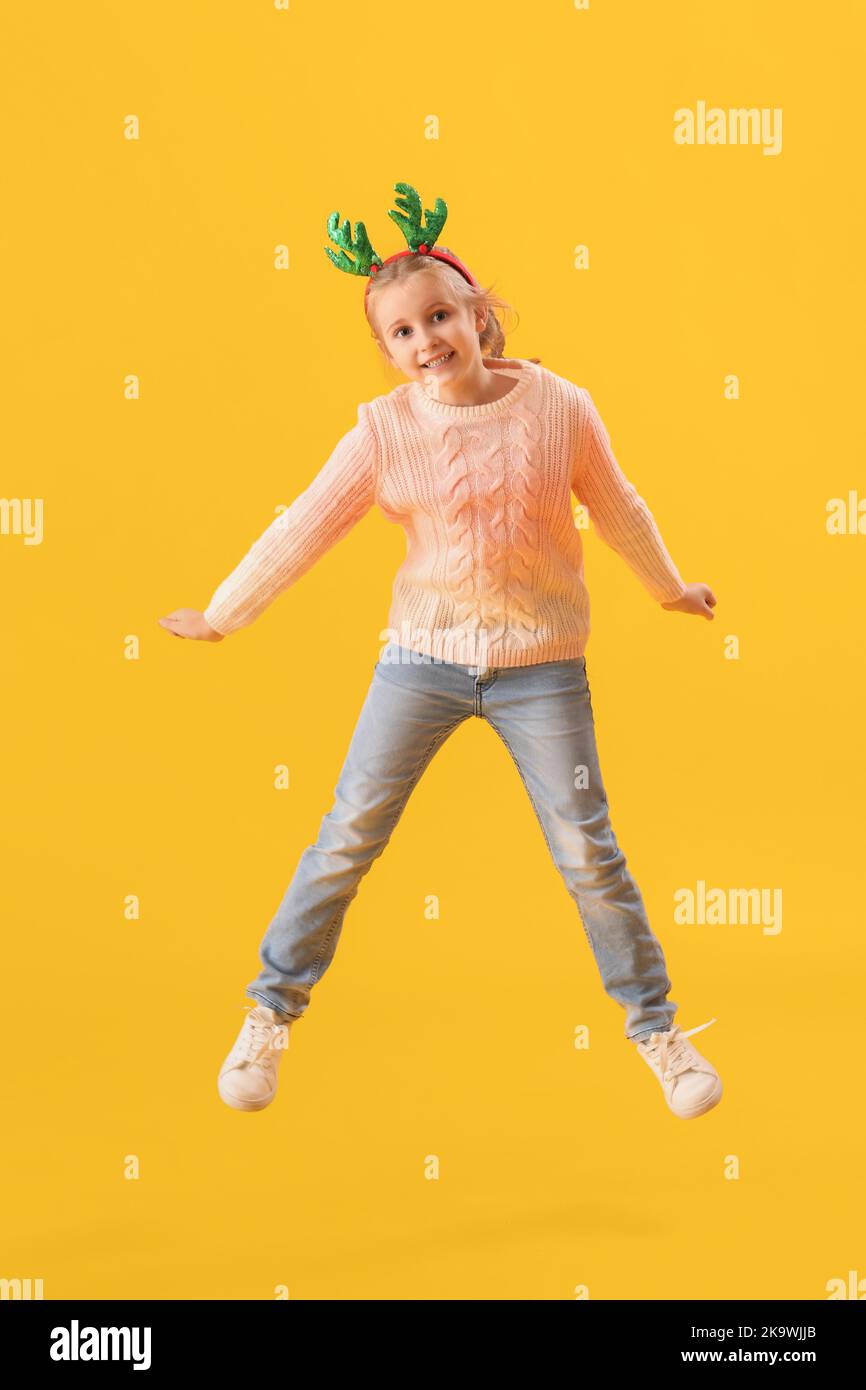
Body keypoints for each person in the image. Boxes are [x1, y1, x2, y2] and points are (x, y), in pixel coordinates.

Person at [159, 181, 722, 1120]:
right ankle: (268, 1013)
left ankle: (658, 1031)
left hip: (540, 665)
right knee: (347, 836)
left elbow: (619, 505)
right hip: (420, 661)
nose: (427, 342)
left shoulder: (559, 408)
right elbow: (304, 527)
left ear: (478, 314)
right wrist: (223, 615)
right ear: (386, 350)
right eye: (403, 334)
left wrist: (668, 588)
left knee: (587, 850)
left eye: (440, 318)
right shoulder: (384, 432)